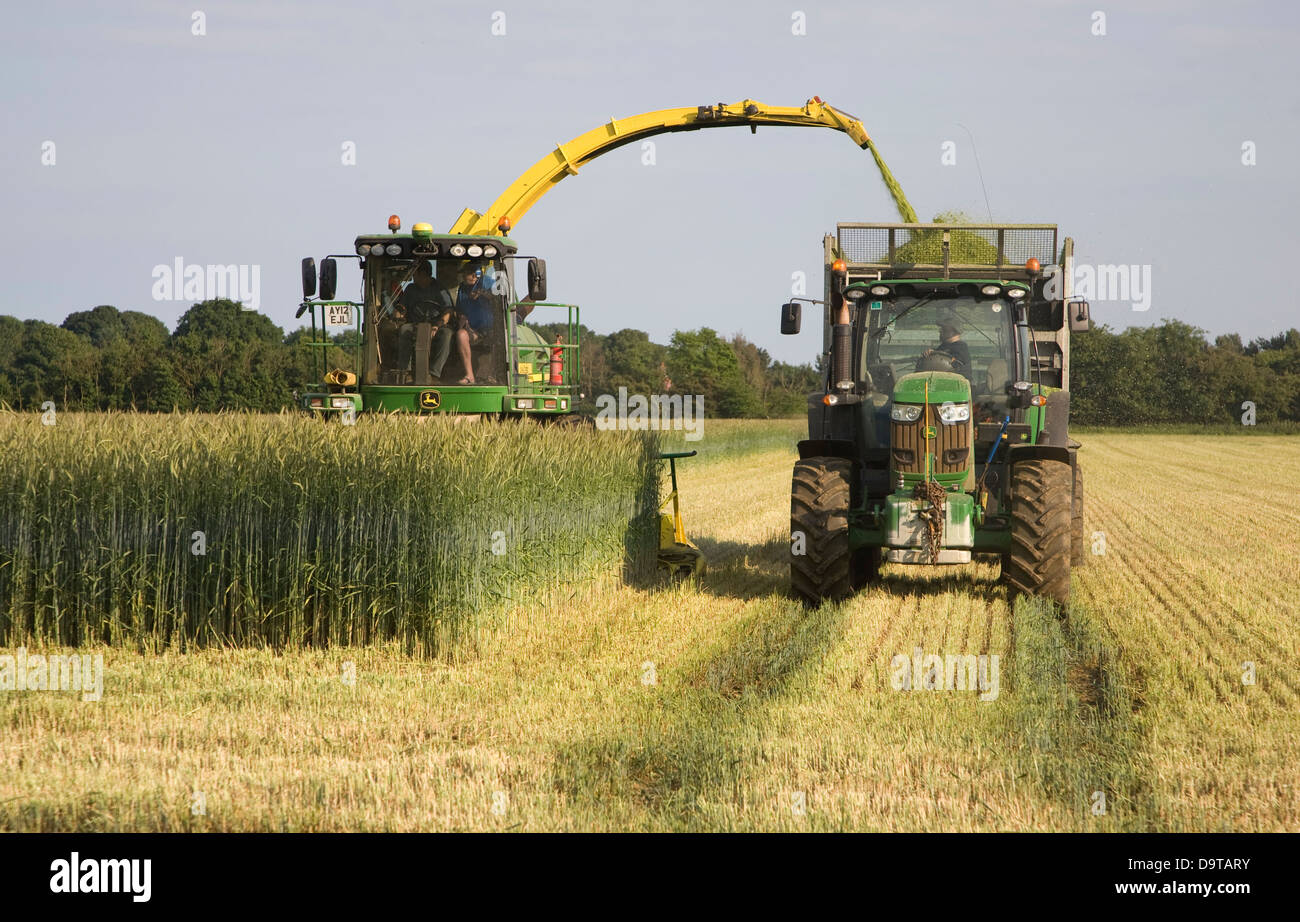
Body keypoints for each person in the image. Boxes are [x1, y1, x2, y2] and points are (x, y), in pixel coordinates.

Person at [395, 261, 454, 382]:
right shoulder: (410, 289)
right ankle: (406, 372)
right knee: (404, 330)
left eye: (414, 273)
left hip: (436, 325)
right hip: (415, 324)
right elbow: (402, 308)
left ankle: (434, 374)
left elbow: (448, 310)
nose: (412, 277)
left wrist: (437, 325)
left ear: (422, 273)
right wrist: (399, 313)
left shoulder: (440, 288)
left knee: (447, 335)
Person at [453, 264, 496, 385]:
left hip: (492, 328)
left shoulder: (487, 281)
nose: (463, 276)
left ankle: (492, 375)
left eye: (465, 273)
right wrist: (461, 317)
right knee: (461, 335)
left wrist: (481, 293)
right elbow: (459, 309)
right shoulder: (462, 288)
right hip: (474, 330)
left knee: (501, 336)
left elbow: (498, 297)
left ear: (475, 274)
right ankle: (470, 376)